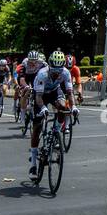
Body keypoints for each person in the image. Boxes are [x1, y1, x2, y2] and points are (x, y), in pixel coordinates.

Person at [29, 51, 75, 179]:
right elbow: (38, 97)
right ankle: (33, 165)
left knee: (64, 108)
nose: (56, 73)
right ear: (49, 66)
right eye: (54, 70)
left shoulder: (65, 73)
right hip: (41, 95)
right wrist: (43, 108)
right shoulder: (42, 74)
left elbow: (70, 93)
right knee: (37, 127)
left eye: (59, 71)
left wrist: (74, 106)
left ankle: (56, 130)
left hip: (55, 92)